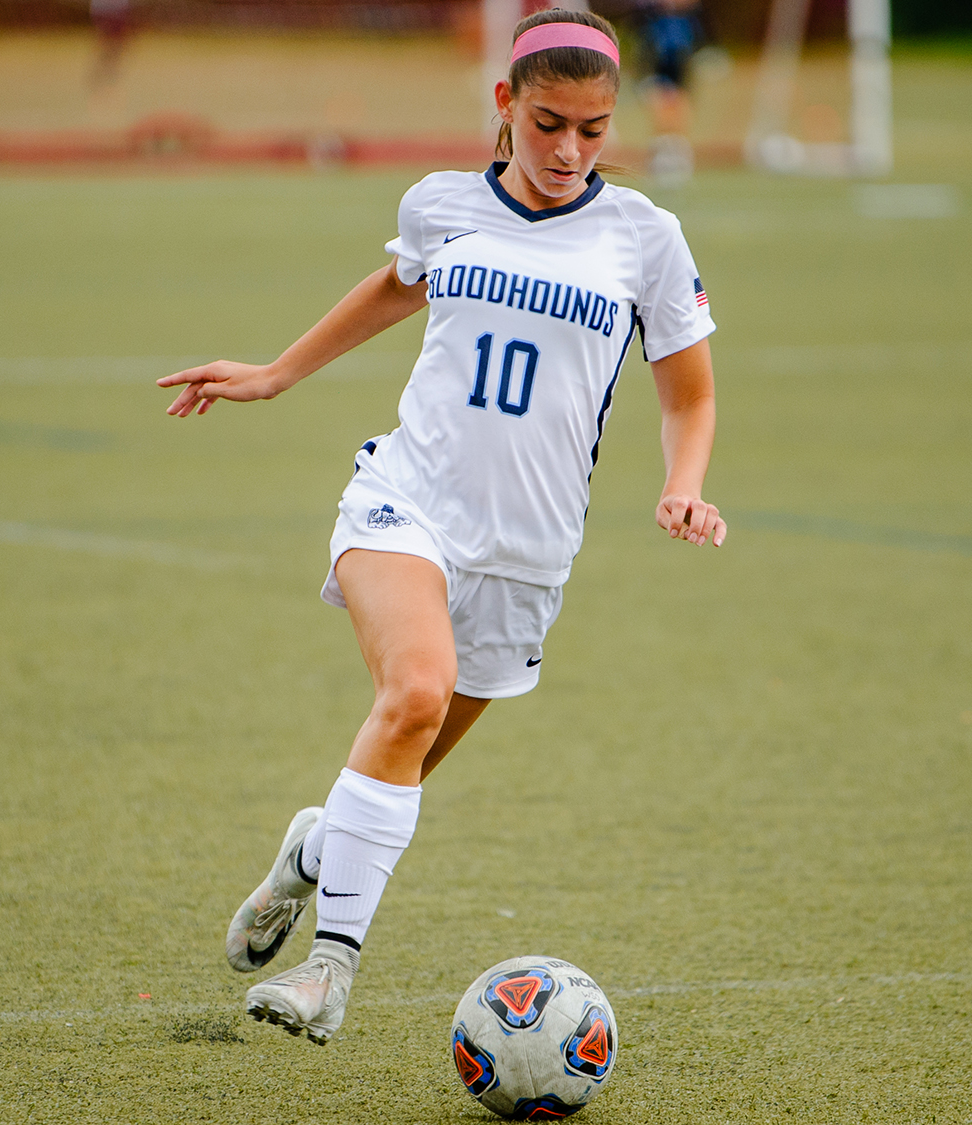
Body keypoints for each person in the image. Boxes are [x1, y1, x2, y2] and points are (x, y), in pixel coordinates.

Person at [156, 7, 723, 1045]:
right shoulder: (442, 204)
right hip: (404, 502)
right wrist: (276, 374)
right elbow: (395, 284)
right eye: (547, 123)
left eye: (593, 130)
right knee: (414, 693)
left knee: (402, 760)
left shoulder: (645, 236)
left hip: (528, 556)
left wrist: (684, 483)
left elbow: (689, 393)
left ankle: (313, 851)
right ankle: (328, 972)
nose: (569, 150)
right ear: (504, 103)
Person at [638, 0, 703, 186]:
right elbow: (648, 50)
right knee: (661, 115)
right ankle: (659, 158)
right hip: (659, 74)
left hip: (680, 76)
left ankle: (679, 157)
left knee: (679, 115)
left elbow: (692, 50)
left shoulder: (689, 21)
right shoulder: (653, 20)